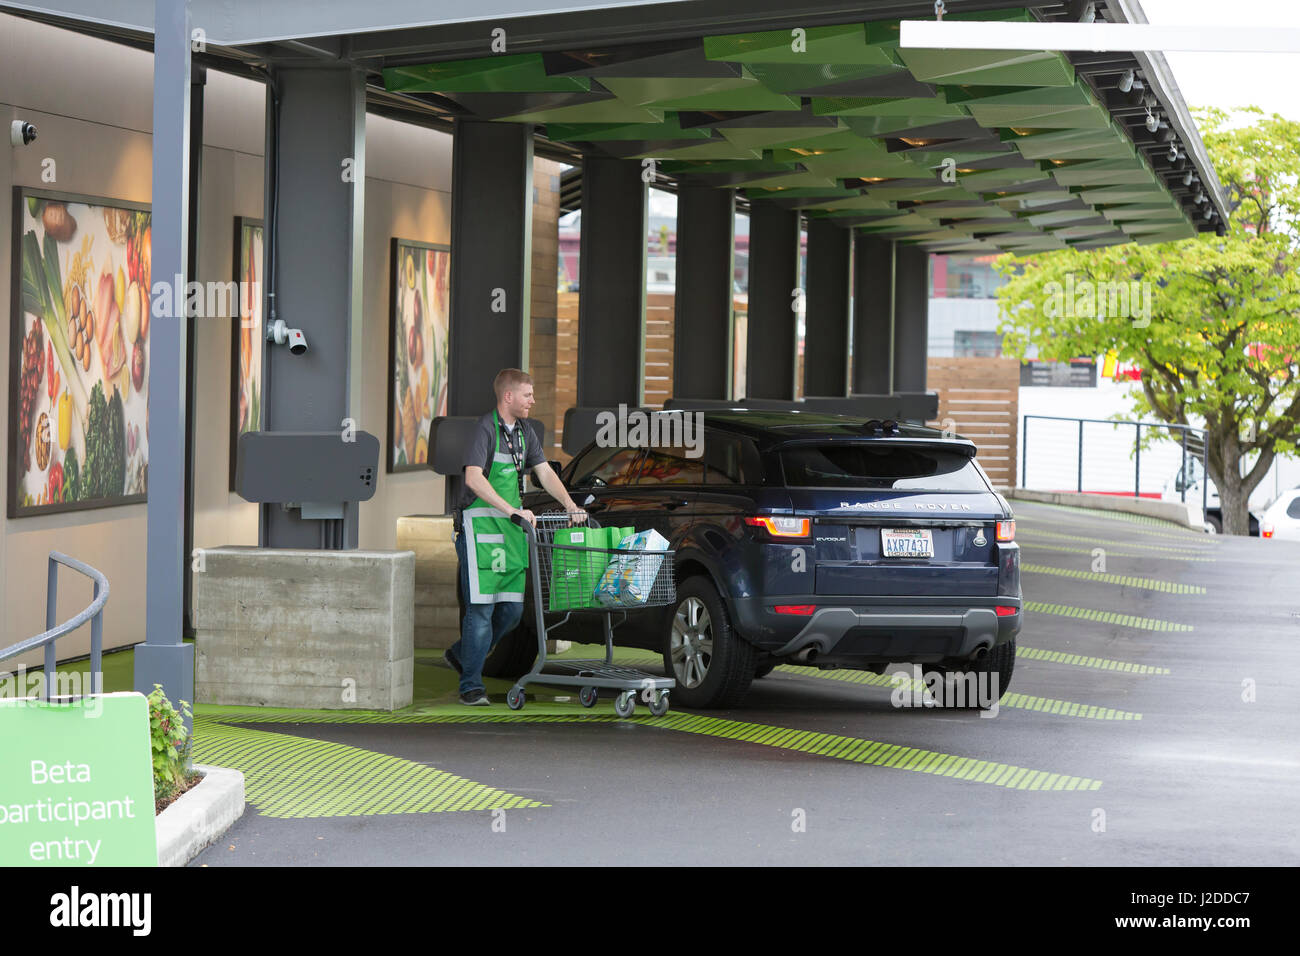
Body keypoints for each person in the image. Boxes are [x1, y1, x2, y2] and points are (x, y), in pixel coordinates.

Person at [447, 368, 585, 705]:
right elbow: (473, 478)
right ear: (508, 396)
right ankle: (471, 687)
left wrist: (570, 505)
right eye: (527, 394)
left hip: (509, 531)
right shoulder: (484, 429)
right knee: (480, 610)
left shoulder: (525, 432)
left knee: (510, 611)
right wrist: (511, 510)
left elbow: (544, 472)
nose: (533, 400)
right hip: (480, 530)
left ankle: (462, 653)